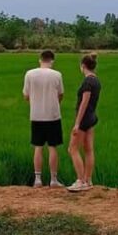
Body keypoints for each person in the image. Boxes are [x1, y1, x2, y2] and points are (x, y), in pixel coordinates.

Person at [22, 49, 64, 188]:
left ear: (40, 59)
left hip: (36, 115)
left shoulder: (30, 74)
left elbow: (26, 96)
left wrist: (35, 103)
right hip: (53, 116)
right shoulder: (57, 75)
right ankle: (53, 179)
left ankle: (38, 179)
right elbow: (60, 95)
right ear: (52, 61)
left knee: (38, 147)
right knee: (53, 147)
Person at [67, 53, 101, 193]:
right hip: (92, 117)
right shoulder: (96, 80)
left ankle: (81, 180)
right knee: (88, 150)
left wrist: (77, 123)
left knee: (72, 149)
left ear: (83, 66)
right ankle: (88, 180)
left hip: (84, 118)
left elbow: (84, 103)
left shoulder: (87, 82)